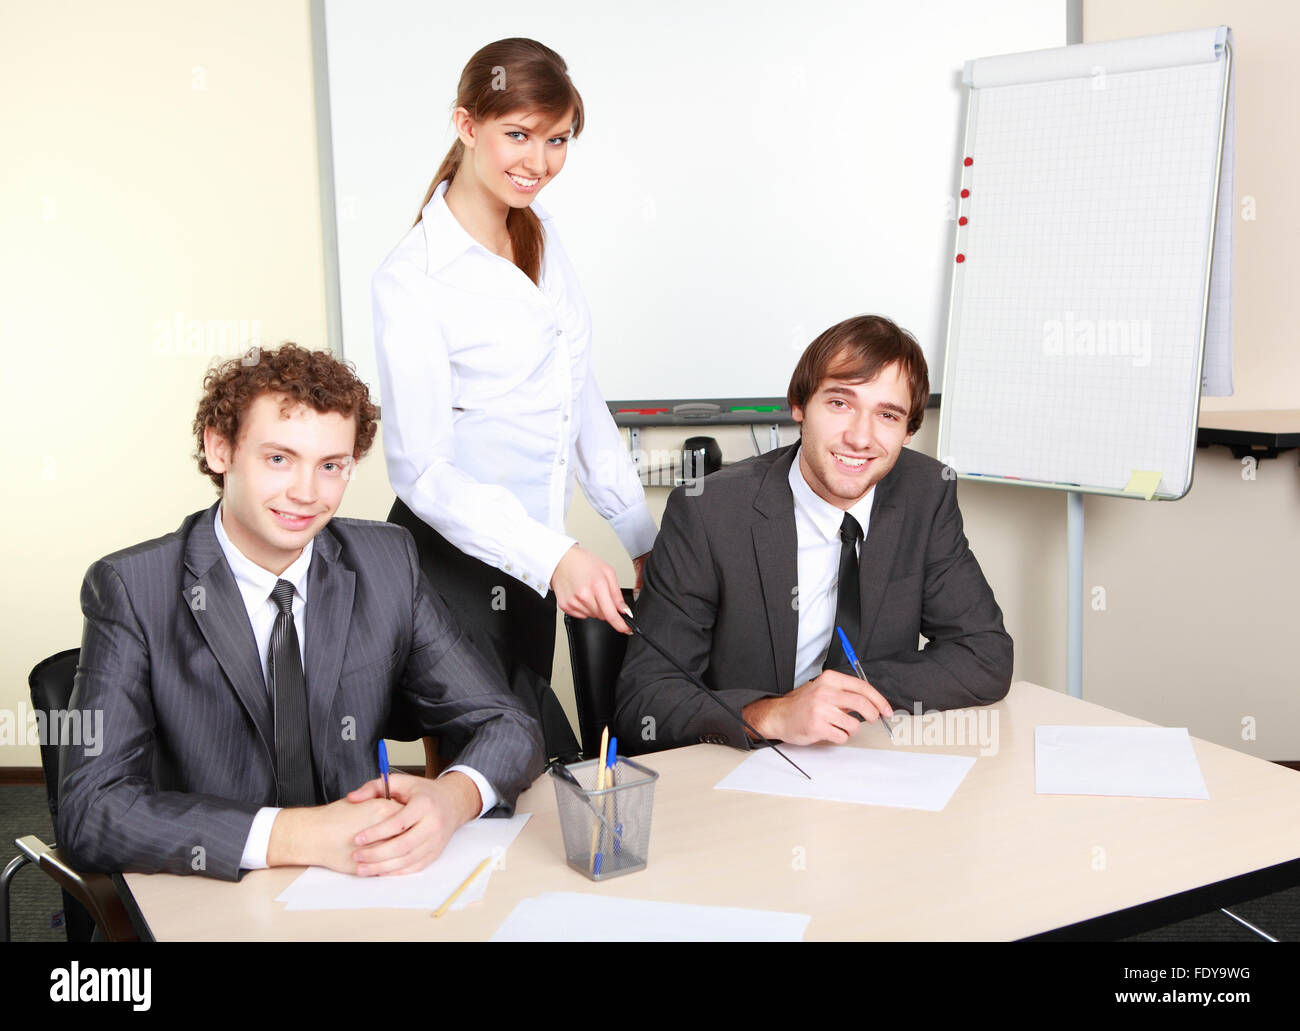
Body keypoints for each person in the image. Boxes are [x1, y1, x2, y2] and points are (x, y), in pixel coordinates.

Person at [57, 344, 544, 881]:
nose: (306, 493)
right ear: (220, 449)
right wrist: (299, 835)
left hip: (360, 886)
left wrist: (453, 799)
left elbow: (506, 722)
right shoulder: (131, 587)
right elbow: (91, 811)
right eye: (278, 459)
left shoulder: (386, 562)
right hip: (217, 892)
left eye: (331, 466)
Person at [371, 38, 656, 760]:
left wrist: (639, 535)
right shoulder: (412, 279)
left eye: (557, 139)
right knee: (493, 770)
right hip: (451, 564)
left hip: (534, 562)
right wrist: (555, 555)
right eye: (518, 135)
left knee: (517, 787)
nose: (539, 161)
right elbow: (422, 471)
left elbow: (576, 390)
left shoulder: (540, 234)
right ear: (467, 126)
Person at [614, 315, 1013, 753]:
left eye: (887, 414)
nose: (861, 437)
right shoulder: (707, 512)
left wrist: (849, 691)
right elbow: (645, 701)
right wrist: (773, 713)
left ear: (909, 431)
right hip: (742, 769)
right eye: (840, 404)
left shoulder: (926, 494)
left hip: (862, 760)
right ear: (799, 405)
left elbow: (985, 655)